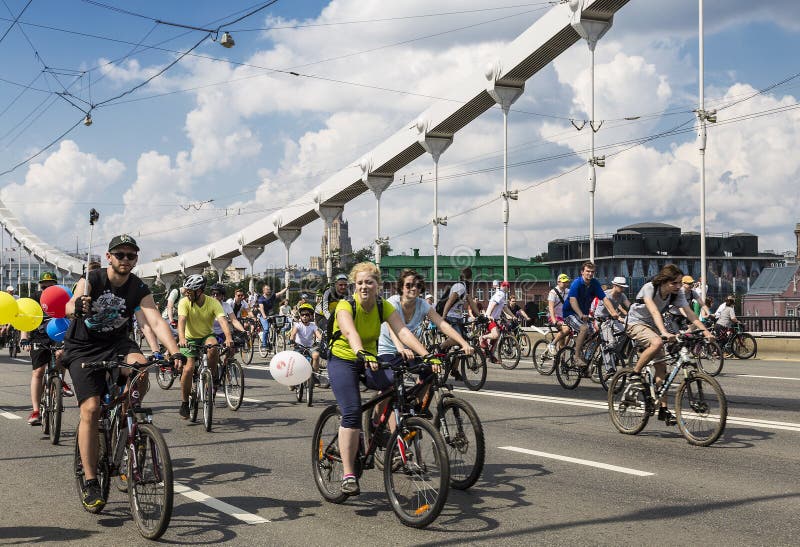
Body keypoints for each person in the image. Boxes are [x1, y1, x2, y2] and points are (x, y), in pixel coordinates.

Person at [63, 234, 184, 511]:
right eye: (120, 255)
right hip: (84, 347)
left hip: (118, 344)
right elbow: (71, 304)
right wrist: (76, 306)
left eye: (131, 255)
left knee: (141, 369)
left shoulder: (138, 287)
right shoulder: (93, 279)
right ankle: (92, 481)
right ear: (109, 257)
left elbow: (154, 319)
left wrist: (174, 351)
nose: (126, 260)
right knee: (91, 409)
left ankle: (131, 424)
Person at [328, 262, 439, 496]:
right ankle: (348, 474)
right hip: (344, 359)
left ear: (378, 285)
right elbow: (350, 333)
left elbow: (403, 332)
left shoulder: (383, 306)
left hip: (371, 358)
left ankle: (379, 430)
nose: (364, 286)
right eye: (359, 283)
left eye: (369, 282)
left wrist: (427, 356)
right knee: (352, 412)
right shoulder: (345, 305)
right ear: (354, 286)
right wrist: (361, 352)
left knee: (392, 386)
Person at [626, 264, 715, 426]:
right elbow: (653, 310)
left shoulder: (676, 294)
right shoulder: (650, 288)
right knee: (658, 341)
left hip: (653, 325)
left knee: (662, 369)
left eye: (680, 282)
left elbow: (690, 313)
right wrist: (665, 333)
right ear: (664, 281)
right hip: (635, 323)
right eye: (674, 283)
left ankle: (663, 409)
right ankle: (635, 373)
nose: (679, 286)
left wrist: (706, 331)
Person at [177, 275, 235, 419]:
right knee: (189, 368)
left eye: (191, 291)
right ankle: (185, 402)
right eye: (187, 291)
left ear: (200, 291)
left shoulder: (213, 303)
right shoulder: (184, 302)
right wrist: (182, 338)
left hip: (206, 336)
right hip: (189, 338)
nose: (187, 294)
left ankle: (212, 375)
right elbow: (181, 321)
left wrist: (228, 338)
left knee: (213, 346)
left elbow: (222, 321)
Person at [20, 271, 74, 426]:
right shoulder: (34, 298)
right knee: (38, 372)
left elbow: (71, 317)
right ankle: (36, 410)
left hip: (58, 333)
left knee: (62, 354)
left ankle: (59, 381)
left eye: (51, 286)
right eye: (44, 286)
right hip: (38, 337)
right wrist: (24, 338)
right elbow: (25, 318)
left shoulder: (63, 297)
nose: (46, 290)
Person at [563, 262, 615, 368]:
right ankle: (576, 357)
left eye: (592, 272)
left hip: (584, 315)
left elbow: (604, 299)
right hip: (570, 313)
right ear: (582, 272)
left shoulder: (594, 283)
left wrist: (613, 312)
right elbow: (573, 300)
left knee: (595, 334)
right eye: (587, 271)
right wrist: (581, 314)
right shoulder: (577, 283)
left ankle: (586, 358)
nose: (590, 274)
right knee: (584, 328)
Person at [440, 267, 480, 350]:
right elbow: (449, 302)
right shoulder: (460, 287)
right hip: (451, 317)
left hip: (459, 318)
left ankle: (453, 360)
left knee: (461, 346)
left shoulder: (464, 288)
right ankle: (441, 347)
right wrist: (443, 317)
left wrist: (480, 316)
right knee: (459, 339)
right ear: (470, 278)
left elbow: (472, 303)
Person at [479, 281, 512, 363]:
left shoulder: (502, 294)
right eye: (507, 287)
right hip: (490, 319)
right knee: (496, 335)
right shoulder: (500, 294)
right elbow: (493, 304)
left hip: (495, 319)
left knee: (496, 339)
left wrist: (513, 316)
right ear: (505, 287)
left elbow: (505, 308)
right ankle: (482, 338)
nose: (508, 288)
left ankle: (491, 356)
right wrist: (488, 315)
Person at [594, 276, 630, 352]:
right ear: (614, 285)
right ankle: (608, 359)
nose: (623, 289)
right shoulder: (605, 295)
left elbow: (629, 306)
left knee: (624, 333)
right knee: (610, 342)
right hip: (601, 320)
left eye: (624, 287)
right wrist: (620, 318)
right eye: (621, 287)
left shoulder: (622, 295)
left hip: (612, 319)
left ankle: (616, 353)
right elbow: (610, 310)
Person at [288, 302, 322, 380]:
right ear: (300, 316)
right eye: (302, 315)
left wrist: (323, 341)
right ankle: (292, 378)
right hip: (299, 347)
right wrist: (292, 341)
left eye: (307, 315)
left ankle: (314, 375)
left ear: (310, 316)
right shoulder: (297, 325)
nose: (305, 316)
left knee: (316, 355)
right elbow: (293, 334)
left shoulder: (313, 326)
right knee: (294, 360)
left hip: (310, 348)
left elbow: (318, 335)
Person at [257, 283, 288, 350]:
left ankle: (274, 339)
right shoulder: (261, 299)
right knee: (266, 329)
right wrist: (264, 315)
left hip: (271, 315)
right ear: (263, 290)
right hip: (263, 316)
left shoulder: (272, 296)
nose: (269, 290)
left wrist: (287, 288)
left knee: (278, 325)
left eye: (269, 289)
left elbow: (279, 293)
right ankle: (264, 345)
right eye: (267, 289)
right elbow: (261, 308)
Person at [547, 274, 572, 355]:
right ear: (558, 282)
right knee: (566, 329)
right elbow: (551, 308)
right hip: (554, 317)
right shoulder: (553, 292)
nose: (565, 284)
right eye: (563, 282)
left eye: (567, 282)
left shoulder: (568, 291)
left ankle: (561, 361)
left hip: (565, 317)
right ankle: (552, 344)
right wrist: (554, 321)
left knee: (563, 343)